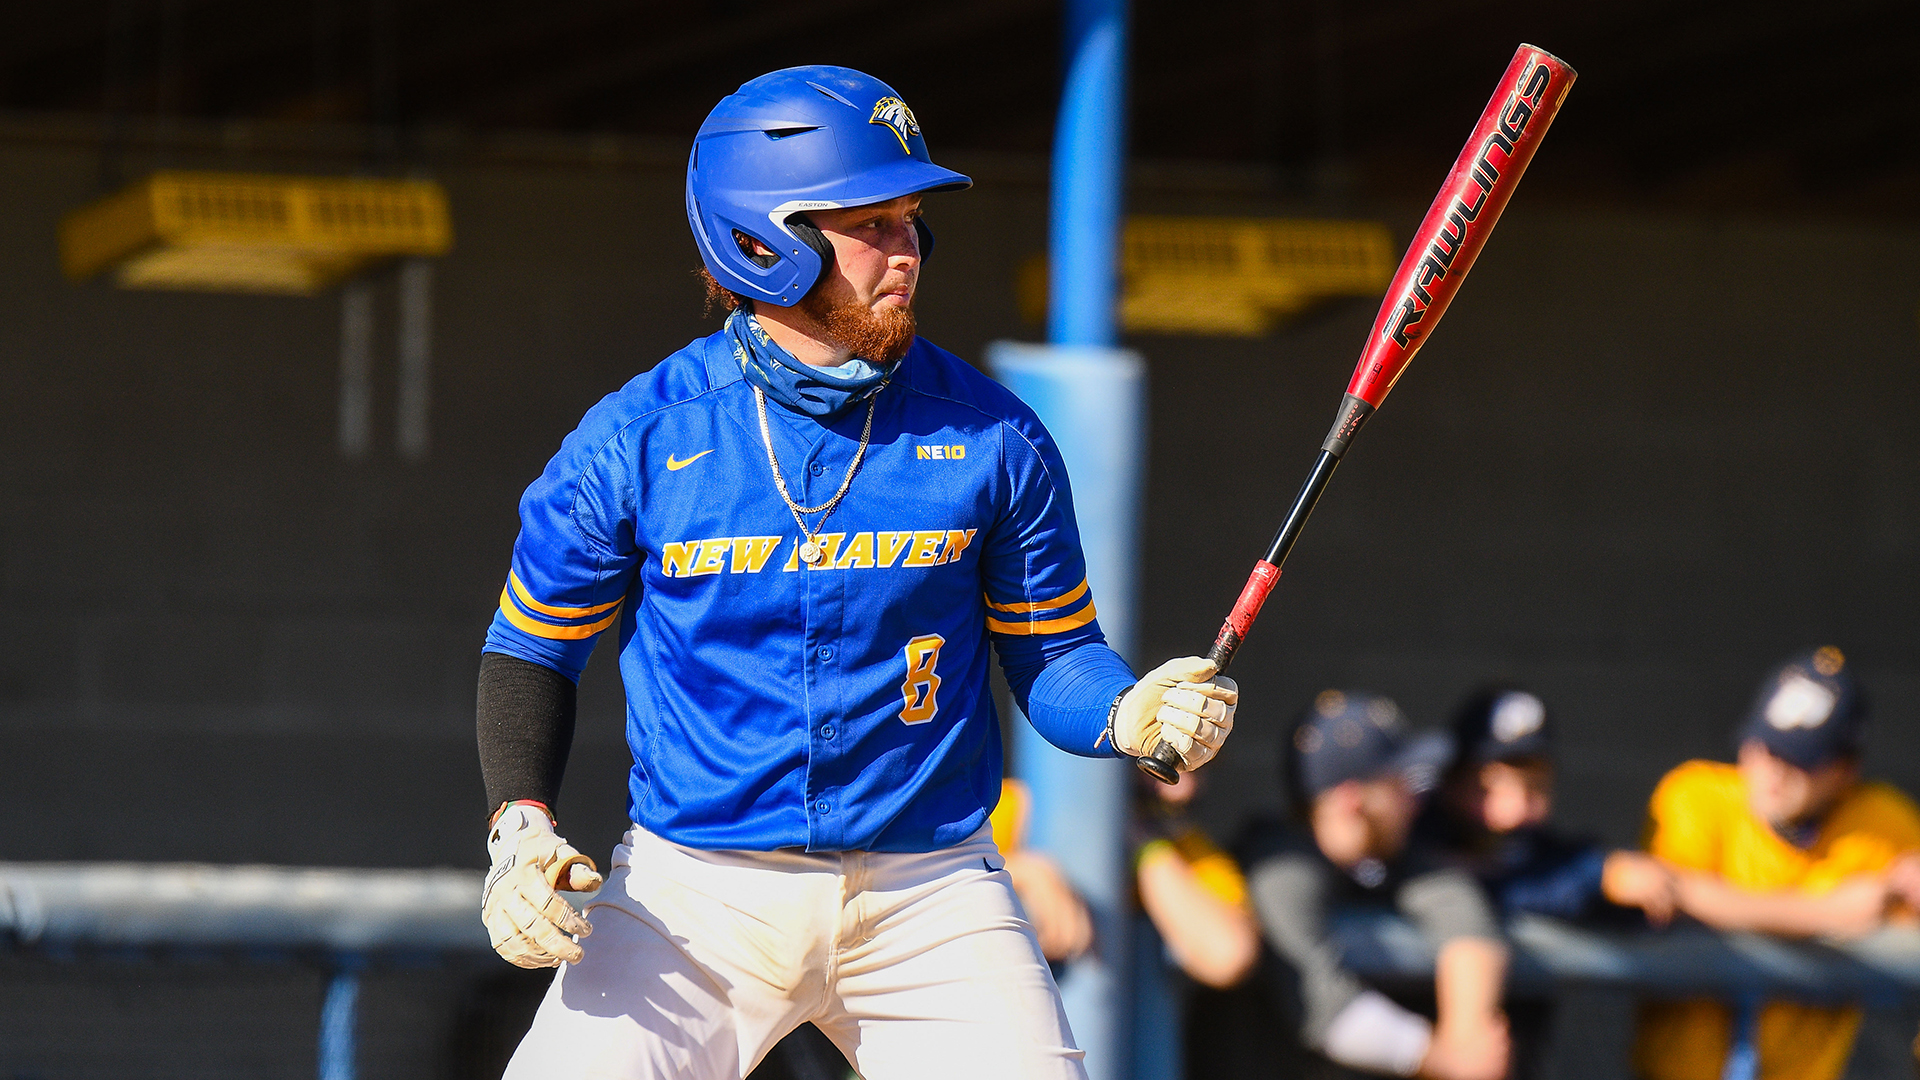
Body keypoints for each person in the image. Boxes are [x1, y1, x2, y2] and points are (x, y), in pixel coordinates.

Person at [471, 65, 1240, 1080]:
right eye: (869, 222)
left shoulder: (992, 436)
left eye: (912, 219)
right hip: (697, 894)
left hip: (931, 891)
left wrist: (1130, 711)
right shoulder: (637, 439)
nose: (908, 250)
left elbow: (1056, 657)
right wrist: (520, 833)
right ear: (759, 239)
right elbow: (532, 649)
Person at [1633, 647, 1920, 1080]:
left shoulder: (1880, 824)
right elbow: (1674, 893)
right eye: (1764, 745)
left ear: (1845, 770)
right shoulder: (1696, 794)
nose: (1772, 769)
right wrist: (1828, 913)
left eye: (1799, 759)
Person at [1244, 690, 1511, 1080]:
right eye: (1398, 784)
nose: (1414, 801)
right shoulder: (1277, 862)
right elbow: (1323, 1010)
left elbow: (1462, 910)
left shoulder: (1391, 856)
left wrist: (1466, 1035)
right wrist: (1442, 1059)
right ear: (1352, 800)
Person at [1423, 686, 1678, 925]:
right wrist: (1594, 880)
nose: (1516, 809)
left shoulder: (1545, 852)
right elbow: (1480, 886)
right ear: (1451, 781)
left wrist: (1611, 875)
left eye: (1536, 788)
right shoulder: (1415, 834)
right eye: (1490, 788)